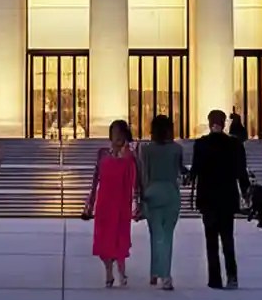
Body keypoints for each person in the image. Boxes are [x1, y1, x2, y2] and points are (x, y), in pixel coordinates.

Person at [190, 109, 250, 290]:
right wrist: (246, 191)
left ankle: (214, 279)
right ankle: (232, 276)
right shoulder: (234, 144)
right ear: (224, 123)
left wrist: (189, 176)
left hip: (208, 197)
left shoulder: (201, 144)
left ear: (209, 123)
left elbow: (195, 170)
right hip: (227, 196)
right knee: (227, 239)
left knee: (211, 241)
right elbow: (241, 171)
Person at [85, 119, 138, 288]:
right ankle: (108, 272)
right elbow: (95, 179)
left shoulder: (131, 155)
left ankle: (121, 269)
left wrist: (138, 202)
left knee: (120, 238)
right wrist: (90, 203)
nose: (116, 137)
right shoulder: (103, 153)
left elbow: (137, 180)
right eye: (114, 133)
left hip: (122, 203)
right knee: (104, 239)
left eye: (119, 133)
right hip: (105, 203)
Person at [138, 114, 184, 290]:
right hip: (171, 192)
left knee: (155, 234)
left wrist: (142, 196)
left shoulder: (146, 150)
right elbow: (179, 171)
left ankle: (155, 272)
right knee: (167, 236)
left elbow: (144, 173)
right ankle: (165, 275)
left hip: (152, 192)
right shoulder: (177, 149)